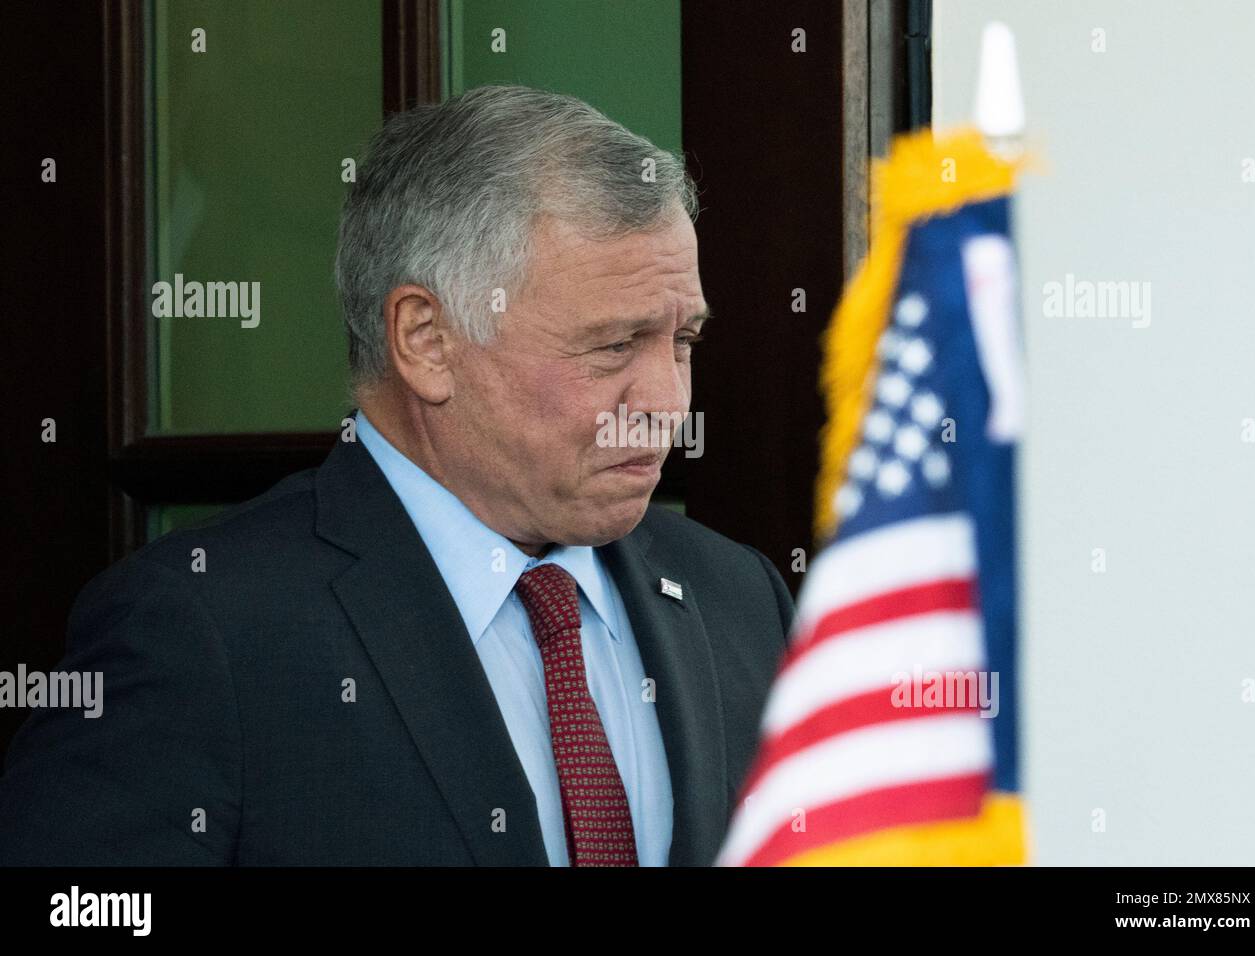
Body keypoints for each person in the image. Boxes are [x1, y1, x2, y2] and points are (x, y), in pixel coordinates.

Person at [0, 85, 792, 866]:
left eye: (682, 340)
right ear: (426, 341)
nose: (667, 403)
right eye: (613, 346)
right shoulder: (200, 633)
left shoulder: (740, 597)